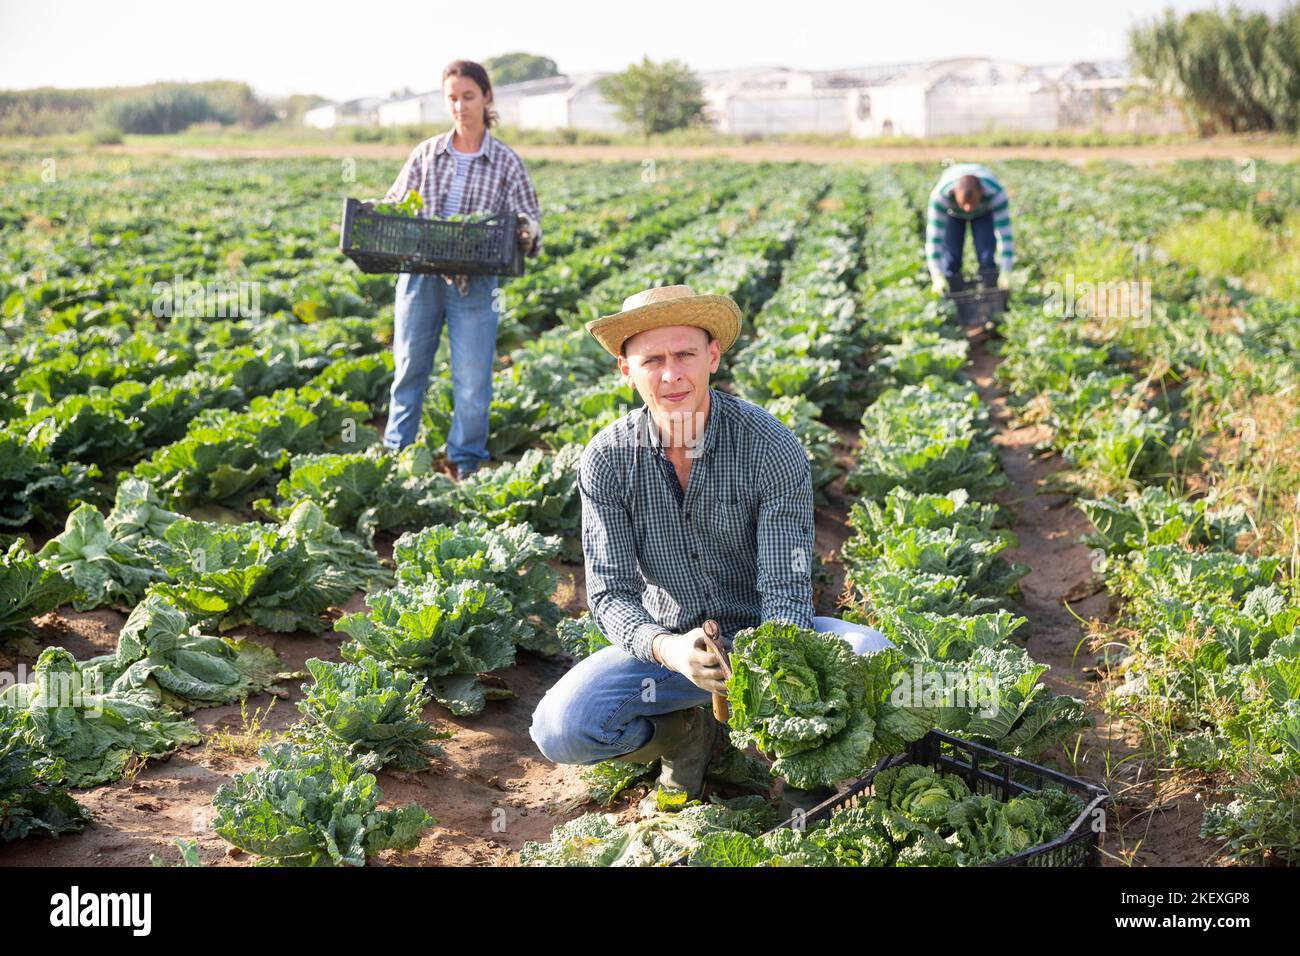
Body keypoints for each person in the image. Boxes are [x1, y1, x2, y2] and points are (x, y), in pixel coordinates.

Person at [528, 284, 894, 807]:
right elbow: (608, 595)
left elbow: (786, 588)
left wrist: (779, 676)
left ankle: (802, 775)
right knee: (562, 728)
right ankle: (686, 738)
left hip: (769, 637)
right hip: (671, 656)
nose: (671, 374)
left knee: (875, 659)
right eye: (652, 359)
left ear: (713, 357)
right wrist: (669, 649)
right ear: (626, 371)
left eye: (685, 355)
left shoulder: (770, 446)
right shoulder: (607, 459)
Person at [377, 60, 542, 480]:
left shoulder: (505, 161)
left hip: (476, 281)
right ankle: (397, 457)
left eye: (468, 96)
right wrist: (371, 214)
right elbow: (395, 204)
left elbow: (530, 219)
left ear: (486, 97)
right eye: (452, 98)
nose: (460, 106)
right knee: (410, 367)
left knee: (471, 380)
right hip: (420, 277)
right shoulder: (427, 153)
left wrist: (523, 232)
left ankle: (465, 463)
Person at [925, 163, 1014, 297]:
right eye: (963, 204)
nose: (968, 209)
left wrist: (1006, 271)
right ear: (954, 192)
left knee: (987, 257)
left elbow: (1005, 235)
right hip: (953, 214)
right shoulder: (940, 197)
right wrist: (937, 275)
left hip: (983, 213)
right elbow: (934, 239)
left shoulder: (996, 194)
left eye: (972, 203)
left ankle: (991, 297)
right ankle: (952, 297)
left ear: (982, 192)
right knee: (951, 258)